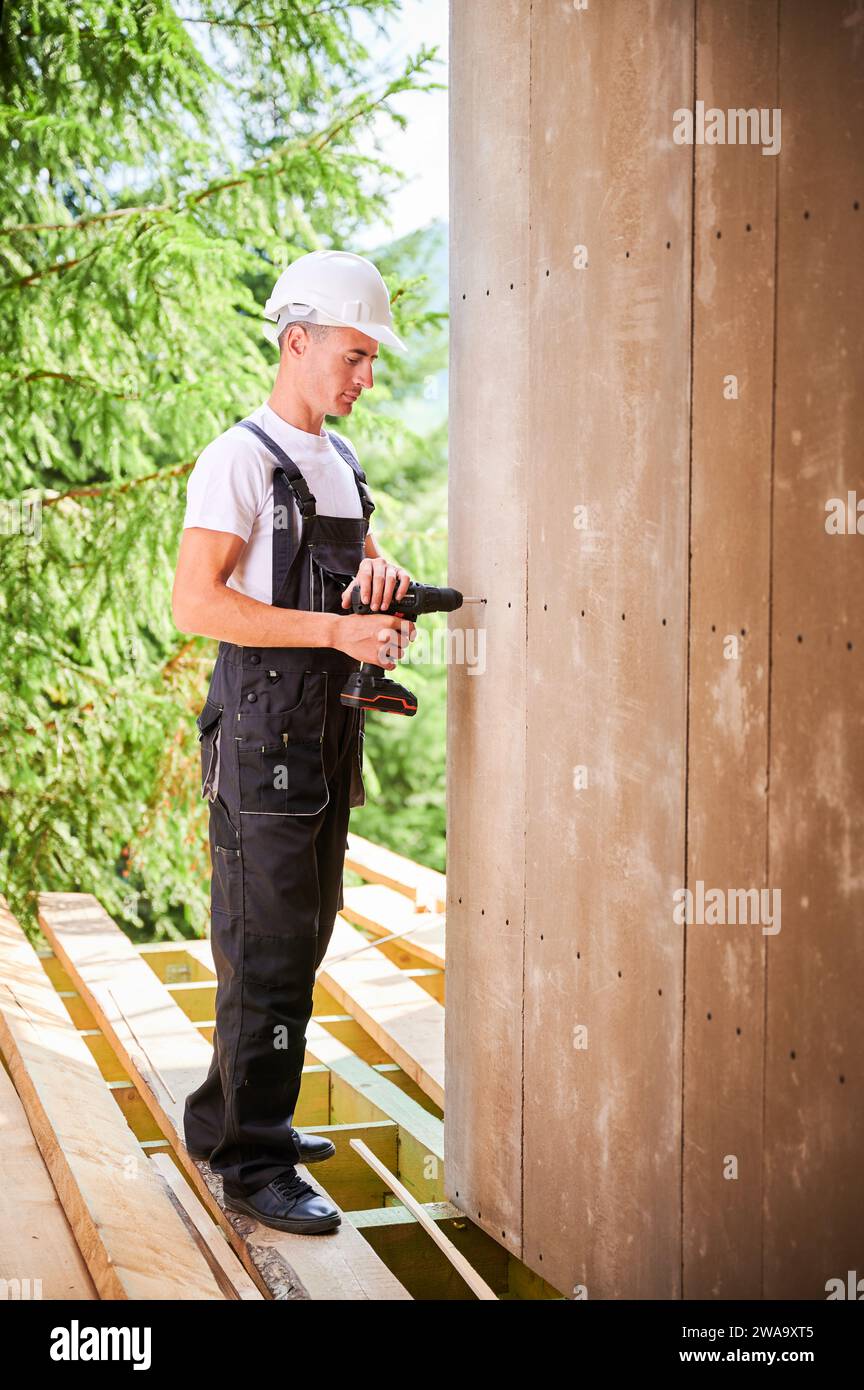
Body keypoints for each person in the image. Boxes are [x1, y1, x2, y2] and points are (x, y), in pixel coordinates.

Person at [172, 250, 416, 1235]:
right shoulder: (240, 459)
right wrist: (333, 631)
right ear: (297, 340)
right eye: (354, 356)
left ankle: (224, 1114)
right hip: (265, 737)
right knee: (265, 955)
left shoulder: (340, 463)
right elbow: (197, 602)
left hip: (325, 742)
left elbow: (327, 582)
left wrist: (375, 590)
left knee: (299, 942)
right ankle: (253, 1158)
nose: (365, 377)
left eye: (372, 361)